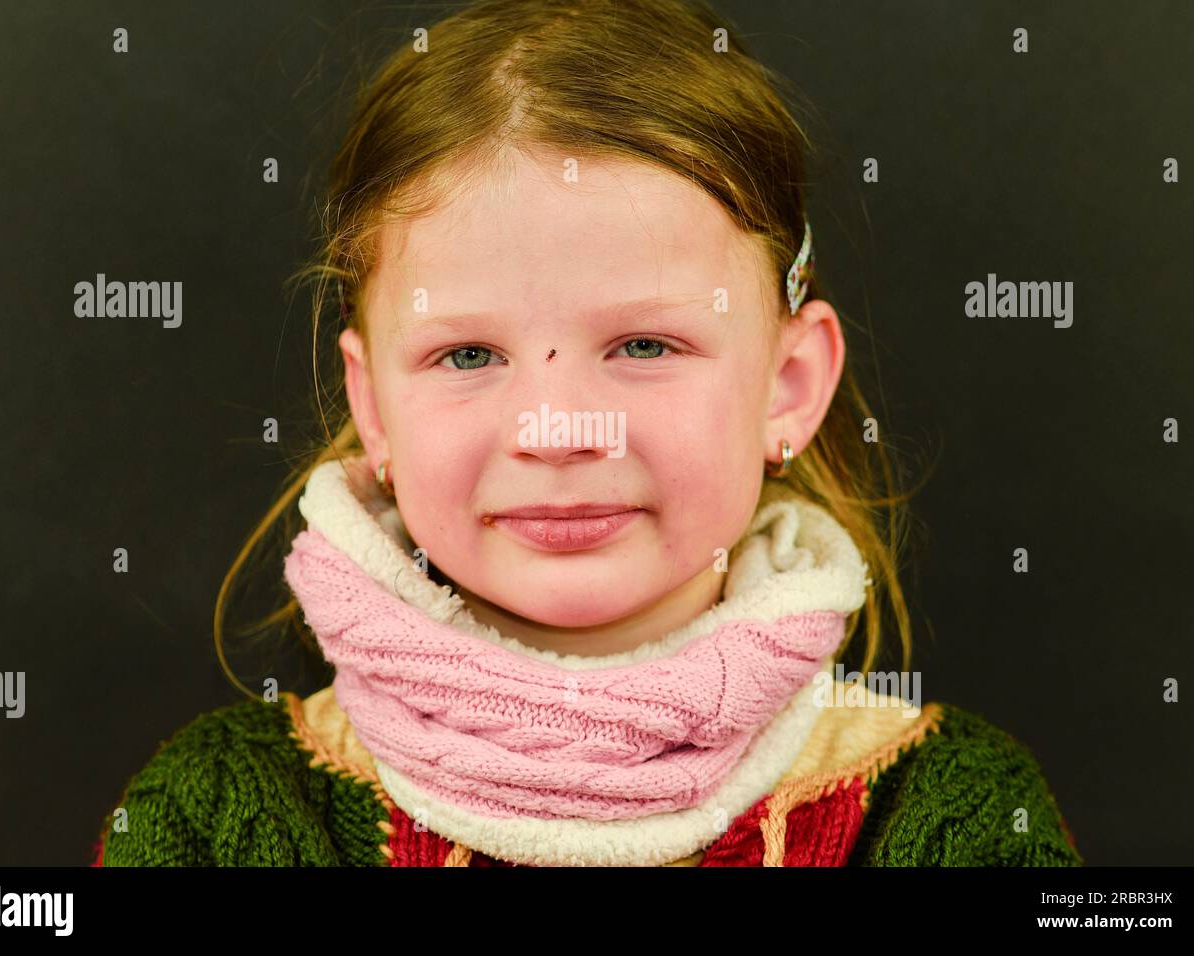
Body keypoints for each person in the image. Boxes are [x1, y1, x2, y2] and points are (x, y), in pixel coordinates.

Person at [93, 0, 1080, 867]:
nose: (557, 428)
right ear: (374, 407)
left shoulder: (956, 816)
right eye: (469, 355)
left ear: (787, 384)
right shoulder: (212, 816)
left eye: (645, 343)